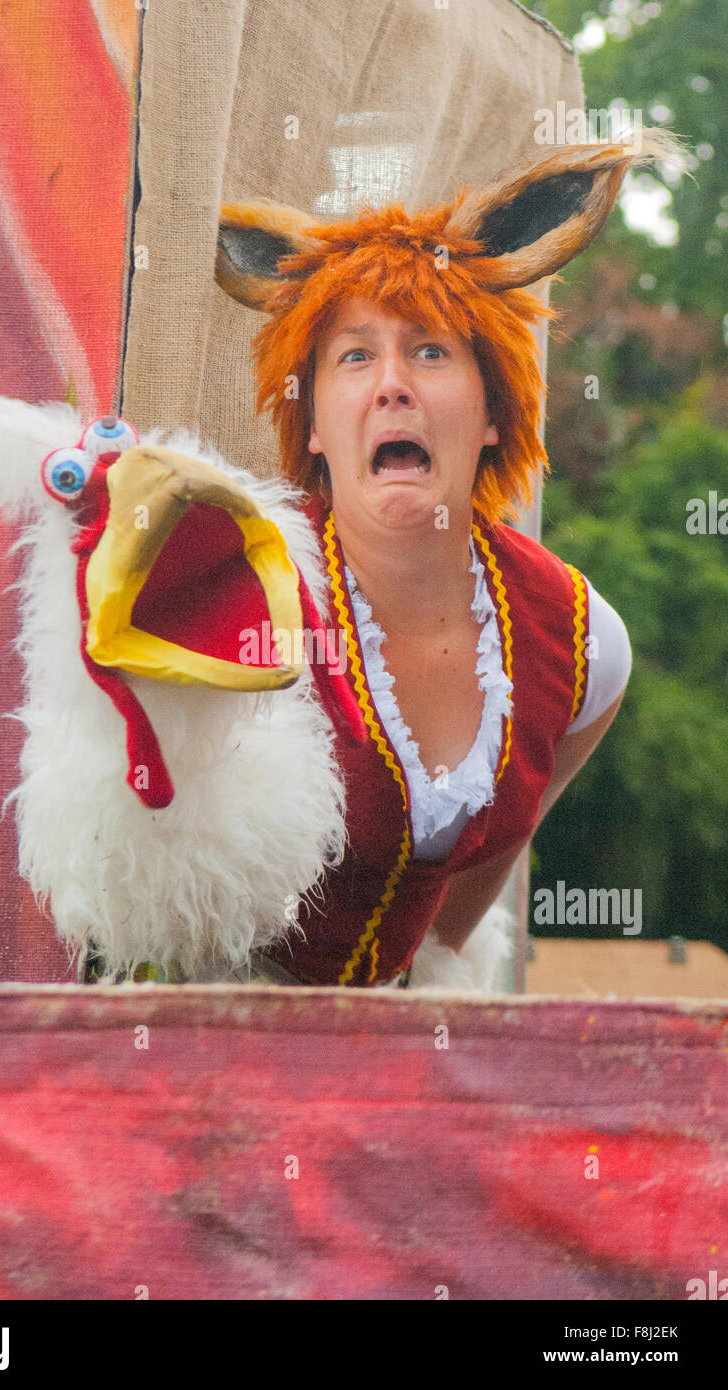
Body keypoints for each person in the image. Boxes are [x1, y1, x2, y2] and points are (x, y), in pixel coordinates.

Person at [209, 135, 661, 987]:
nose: (391, 384)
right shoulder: (240, 598)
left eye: (429, 350)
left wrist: (420, 996)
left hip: (406, 1058)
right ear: (311, 426)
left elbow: (479, 882)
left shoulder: (581, 643)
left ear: (493, 412)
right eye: (354, 356)